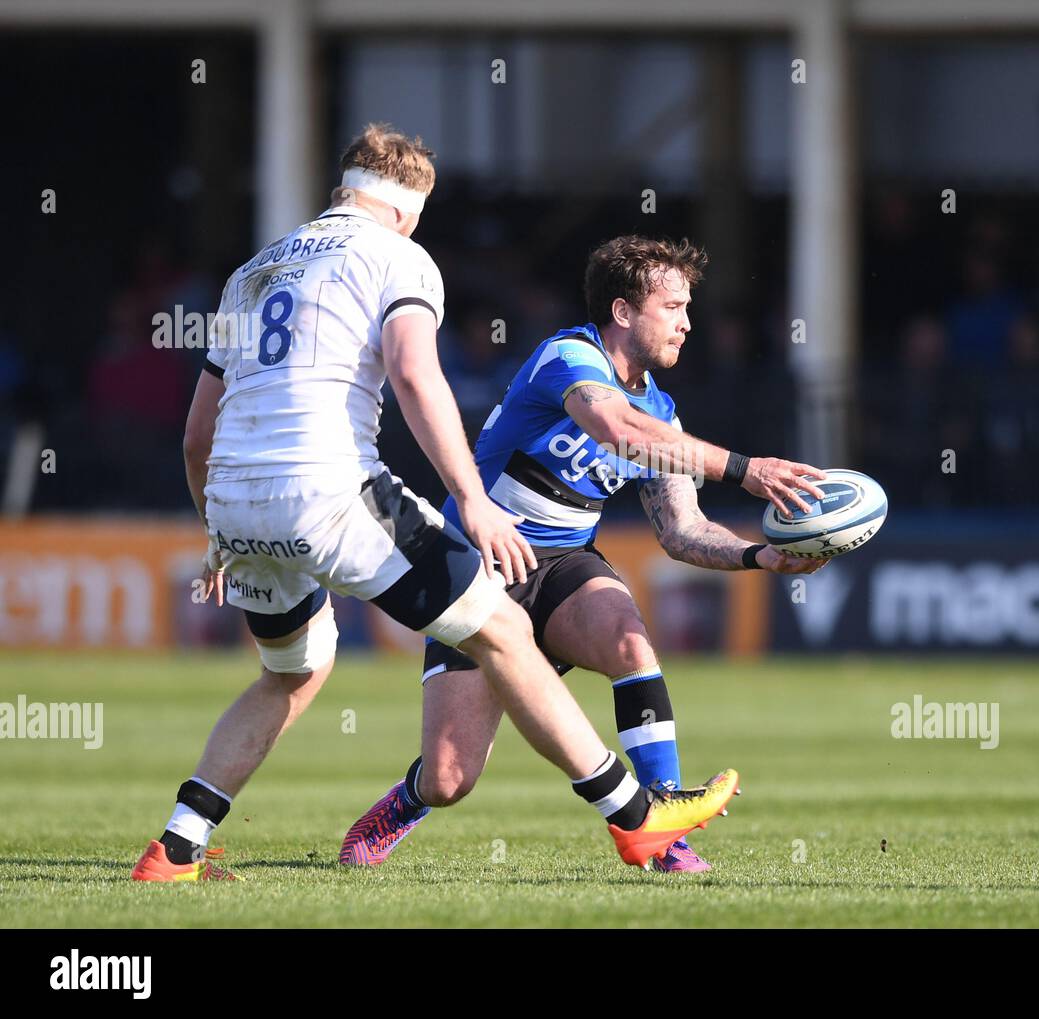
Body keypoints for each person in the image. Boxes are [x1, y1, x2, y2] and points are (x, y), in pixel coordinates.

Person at [131, 127, 739, 881]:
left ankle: (176, 847)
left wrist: (214, 532)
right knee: (509, 629)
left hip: (234, 502)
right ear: (408, 210)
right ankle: (638, 819)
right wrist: (470, 498)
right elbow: (417, 376)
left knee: (291, 670)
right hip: (331, 488)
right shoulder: (400, 257)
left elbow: (198, 435)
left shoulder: (250, 272)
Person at [340, 235, 826, 873]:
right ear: (623, 312)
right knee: (449, 778)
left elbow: (681, 530)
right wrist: (745, 468)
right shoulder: (567, 356)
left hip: (567, 564)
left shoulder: (663, 414)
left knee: (630, 640)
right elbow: (615, 429)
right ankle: (404, 803)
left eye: (688, 307)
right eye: (673, 307)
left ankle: (664, 831)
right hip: (480, 564)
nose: (687, 322)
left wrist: (760, 558)